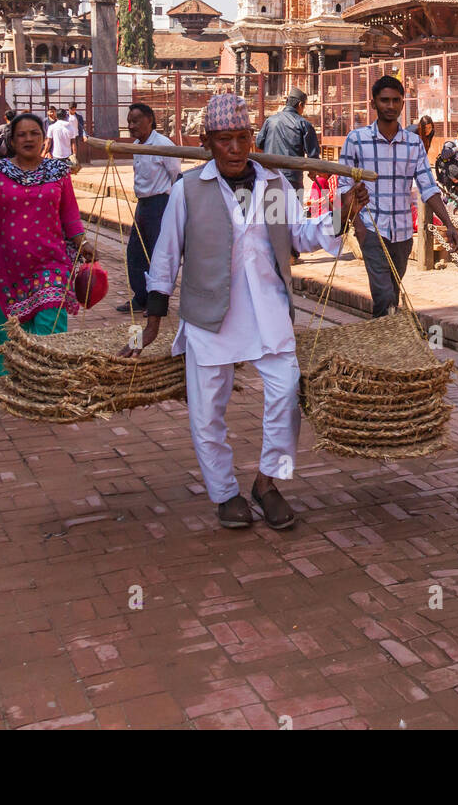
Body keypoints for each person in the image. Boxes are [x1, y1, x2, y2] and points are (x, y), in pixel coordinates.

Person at [122, 94, 368, 531]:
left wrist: (339, 216)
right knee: (207, 410)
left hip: (268, 309)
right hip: (209, 316)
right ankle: (224, 493)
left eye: (241, 138)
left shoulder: (271, 186)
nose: (234, 148)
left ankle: (269, 483)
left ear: (251, 138)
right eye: (224, 140)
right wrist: (153, 322)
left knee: (286, 396)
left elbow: (297, 237)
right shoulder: (190, 190)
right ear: (207, 142)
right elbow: (166, 255)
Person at [0, 113, 98, 375]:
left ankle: (47, 377)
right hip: (6, 263)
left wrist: (83, 242)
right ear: (12, 141)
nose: (28, 139)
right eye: (21, 134)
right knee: (5, 329)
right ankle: (17, 376)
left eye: (34, 133)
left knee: (51, 323)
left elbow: (69, 214)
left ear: (43, 138)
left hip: (52, 262)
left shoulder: (59, 172)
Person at [337, 75, 458, 319]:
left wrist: (449, 224)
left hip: (403, 233)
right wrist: (358, 226)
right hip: (372, 230)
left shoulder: (414, 143)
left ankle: (386, 347)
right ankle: (387, 345)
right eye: (384, 100)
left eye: (396, 100)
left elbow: (428, 187)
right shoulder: (356, 139)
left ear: (403, 104)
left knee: (392, 294)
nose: (390, 106)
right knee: (384, 297)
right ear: (373, 103)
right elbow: (343, 187)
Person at [117, 102, 179, 313]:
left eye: (136, 121)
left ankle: (157, 302)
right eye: (129, 122)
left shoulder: (163, 145)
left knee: (158, 254)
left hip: (160, 204)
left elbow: (174, 175)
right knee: (135, 251)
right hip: (143, 204)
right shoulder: (137, 145)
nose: (131, 126)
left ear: (150, 120)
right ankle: (140, 297)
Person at [254, 87, 320, 192]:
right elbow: (313, 155)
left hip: (269, 177)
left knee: (272, 208)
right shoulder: (303, 124)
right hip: (292, 179)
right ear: (300, 105)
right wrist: (312, 171)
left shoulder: (270, 121)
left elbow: (259, 143)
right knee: (294, 208)